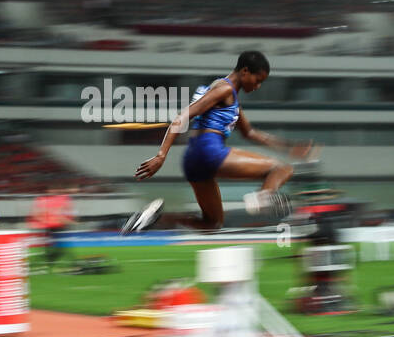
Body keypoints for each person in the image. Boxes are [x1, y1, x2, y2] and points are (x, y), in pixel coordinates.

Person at [123, 50, 317, 233]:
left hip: (193, 160)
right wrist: (161, 155)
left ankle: (154, 218)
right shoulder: (224, 89)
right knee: (282, 169)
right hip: (209, 152)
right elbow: (183, 115)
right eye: (257, 80)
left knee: (212, 224)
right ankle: (263, 197)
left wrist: (289, 146)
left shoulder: (228, 96)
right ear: (245, 71)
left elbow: (249, 132)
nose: (257, 87)